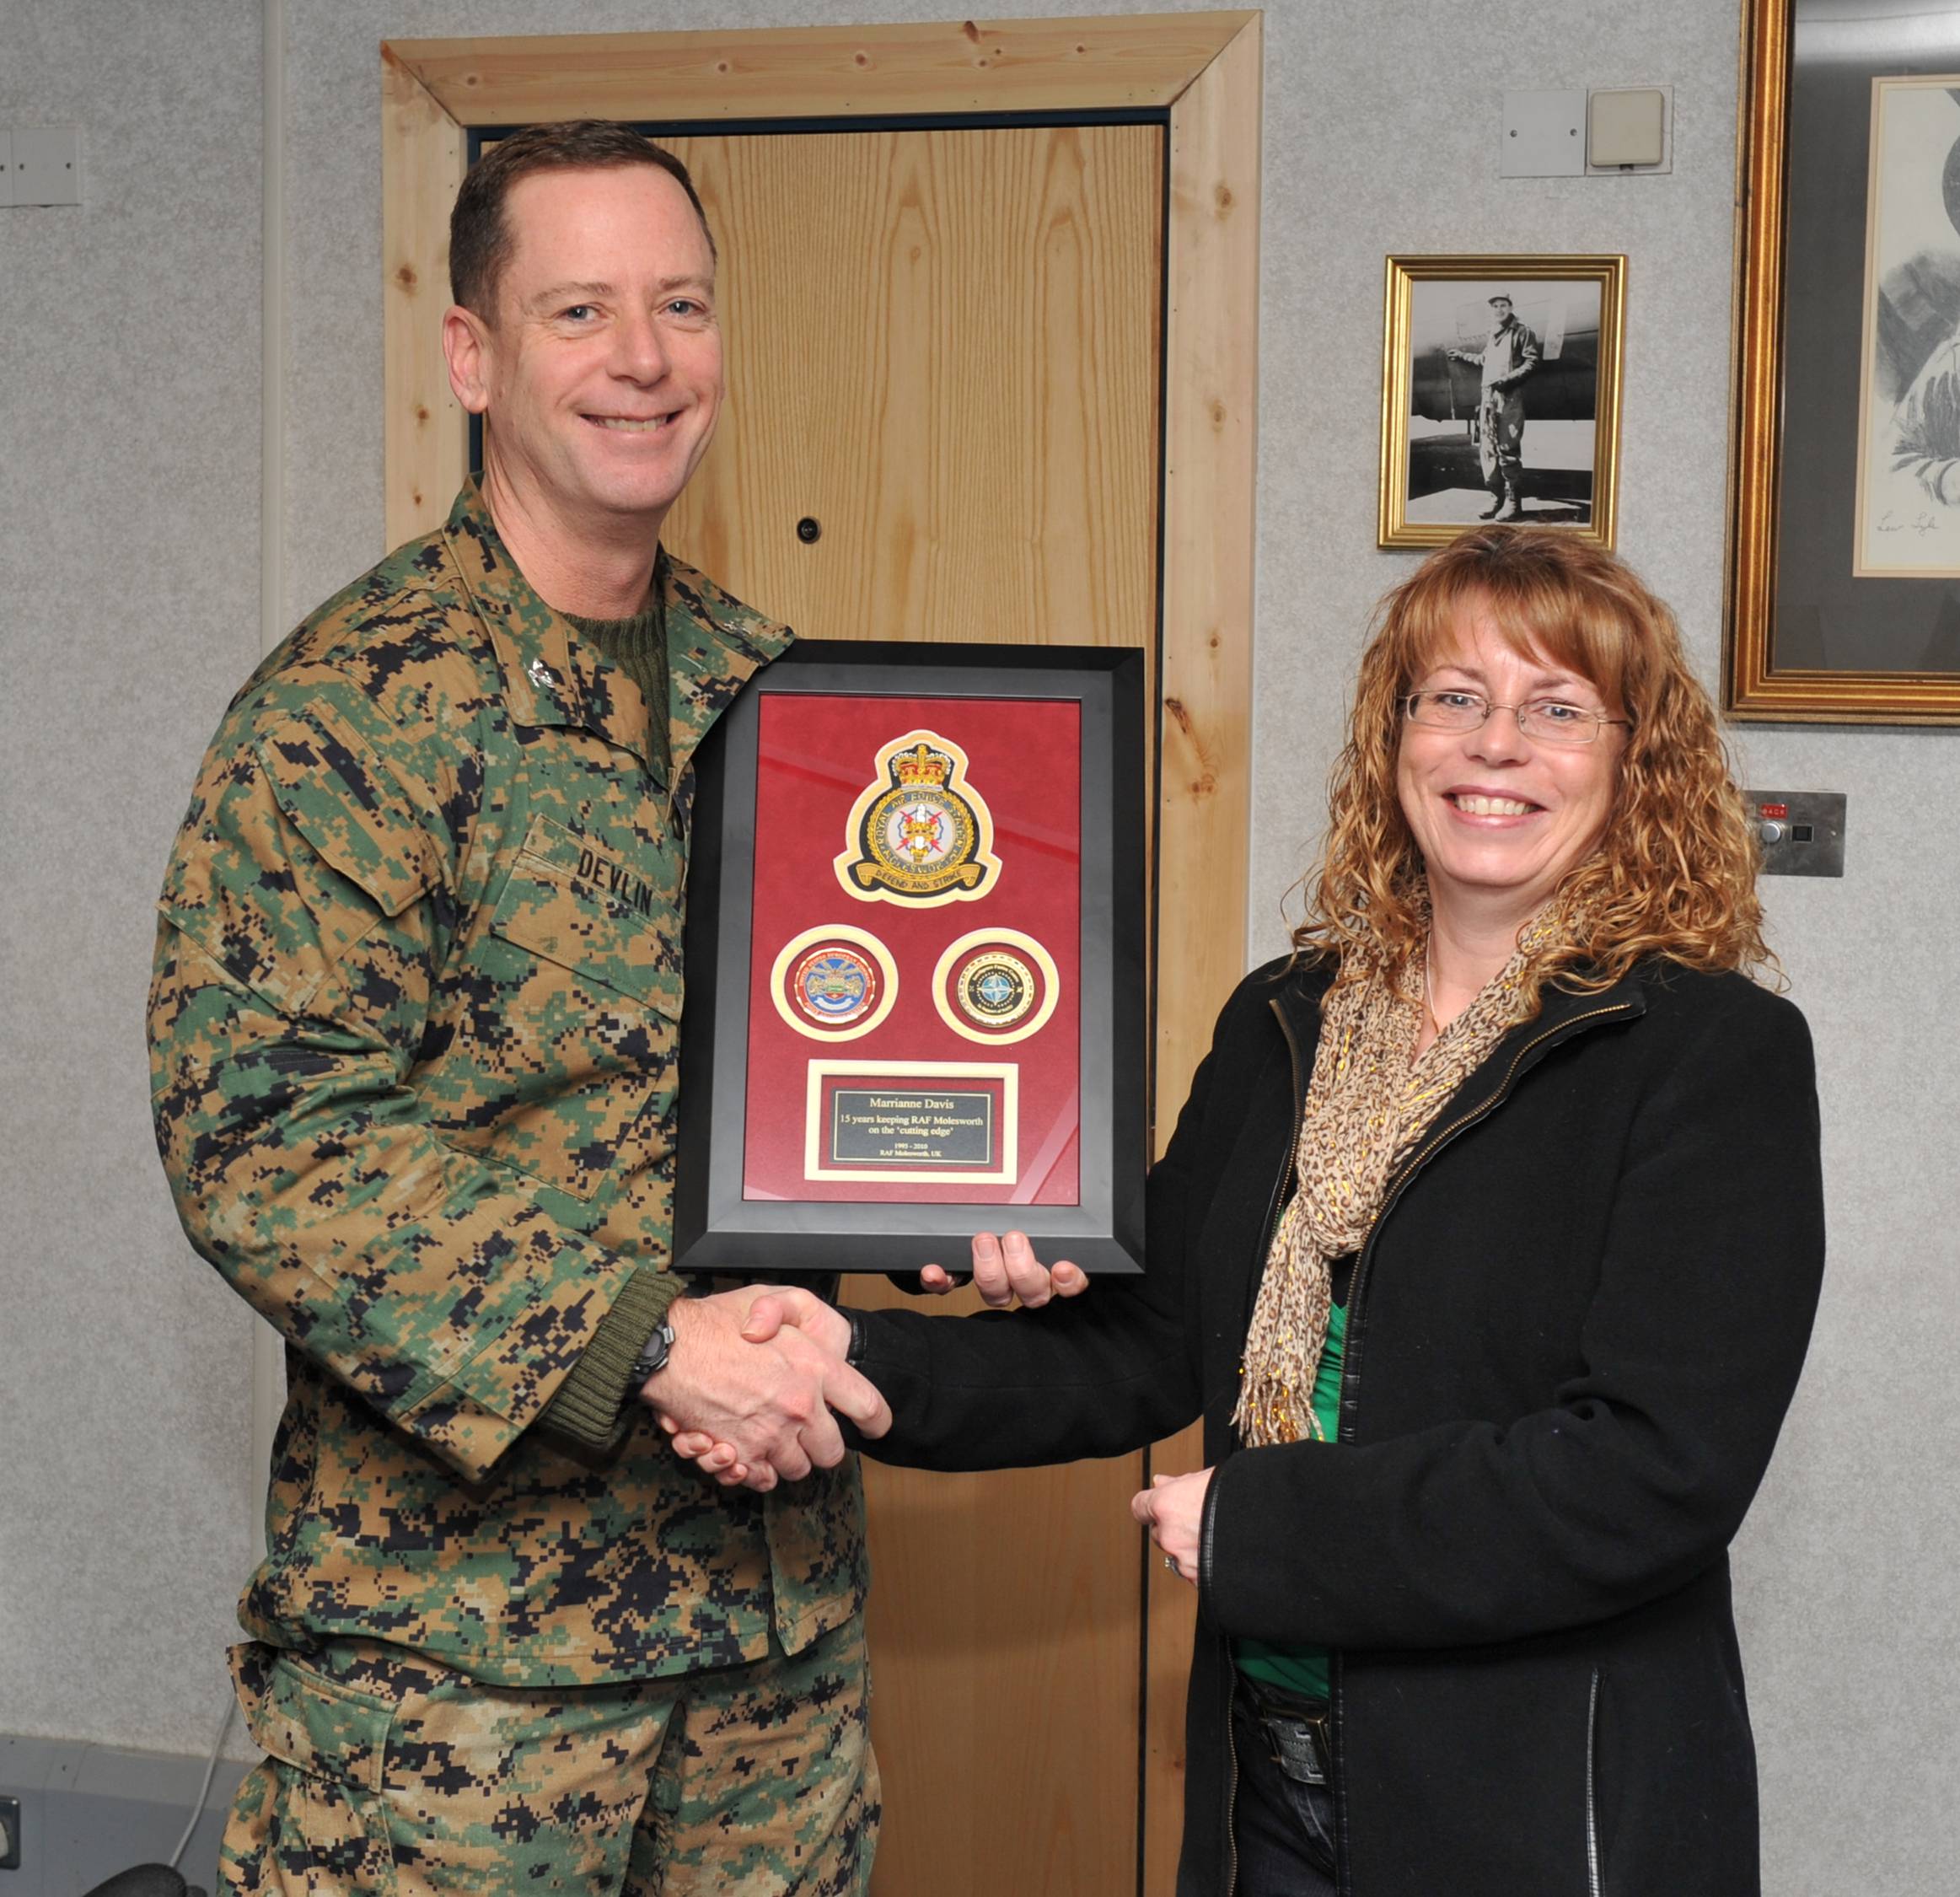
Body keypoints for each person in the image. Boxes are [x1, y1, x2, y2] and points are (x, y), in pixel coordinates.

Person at [679, 526, 1825, 1895]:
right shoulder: (1286, 1018)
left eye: (1556, 708)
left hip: (1536, 1807)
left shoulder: (1711, 1056)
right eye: (1452, 696)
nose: (1494, 743)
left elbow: (1650, 1475)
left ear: (1635, 761)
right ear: (1395, 738)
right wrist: (838, 1361)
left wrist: (1258, 1532)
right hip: (1266, 1785)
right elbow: (1144, 1345)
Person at [148, 121, 890, 1895]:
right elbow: (267, 1137)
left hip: (767, 1649)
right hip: (460, 1688)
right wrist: (644, 1338)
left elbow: (841, 1066)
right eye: (581, 308)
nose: (644, 358)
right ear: (473, 355)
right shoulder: (350, 712)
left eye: (681, 305)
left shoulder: (788, 704)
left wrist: (972, 1209)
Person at [1450, 293, 1541, 521]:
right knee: (1488, 450)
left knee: (1508, 450)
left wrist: (1507, 380)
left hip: (1509, 398)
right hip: (1488, 398)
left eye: (1503, 305)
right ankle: (1495, 497)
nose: (1499, 310)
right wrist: (1461, 355)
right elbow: (1484, 360)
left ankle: (1512, 502)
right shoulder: (1493, 334)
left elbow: (1532, 362)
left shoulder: (1523, 332)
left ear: (1511, 307)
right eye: (1495, 306)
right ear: (1491, 310)